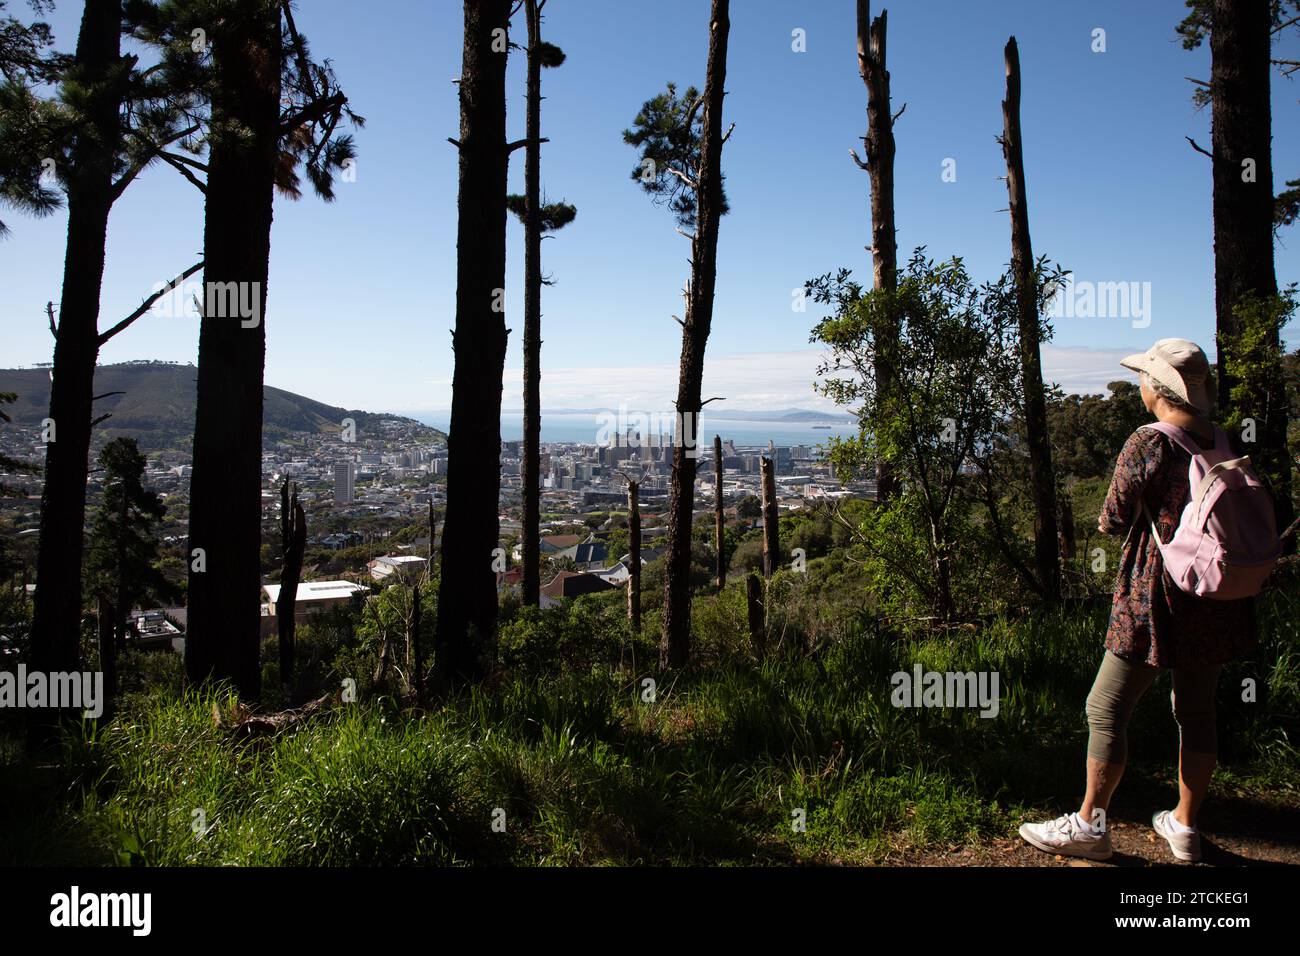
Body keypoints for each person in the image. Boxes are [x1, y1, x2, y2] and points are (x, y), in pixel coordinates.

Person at [1019, 338, 1255, 863]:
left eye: (1147, 377)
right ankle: (1186, 827)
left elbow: (1112, 519)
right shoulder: (1221, 438)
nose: (1142, 385)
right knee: (1196, 711)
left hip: (1158, 591)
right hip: (1216, 591)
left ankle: (1090, 824)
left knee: (1105, 707)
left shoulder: (1149, 441)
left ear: (1159, 388)